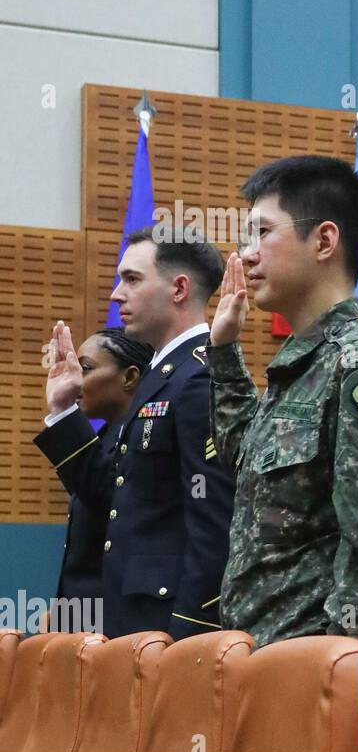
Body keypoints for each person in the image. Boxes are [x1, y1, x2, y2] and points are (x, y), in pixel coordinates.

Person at [209, 155, 358, 662]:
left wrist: (333, 667)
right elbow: (242, 462)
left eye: (262, 232)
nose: (245, 254)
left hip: (314, 673)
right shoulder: (303, 364)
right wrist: (223, 354)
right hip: (263, 659)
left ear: (324, 241)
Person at [35, 229, 234, 639]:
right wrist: (63, 411)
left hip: (164, 629)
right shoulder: (161, 376)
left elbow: (213, 522)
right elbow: (115, 494)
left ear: (179, 288)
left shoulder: (198, 378)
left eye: (132, 279)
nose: (115, 294)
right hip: (127, 622)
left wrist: (189, 636)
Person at [34, 327, 153, 627]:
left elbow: (107, 497)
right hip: (84, 624)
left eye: (85, 369)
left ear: (129, 378)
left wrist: (62, 412)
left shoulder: (145, 439)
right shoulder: (105, 437)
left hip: (116, 627)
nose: (75, 380)